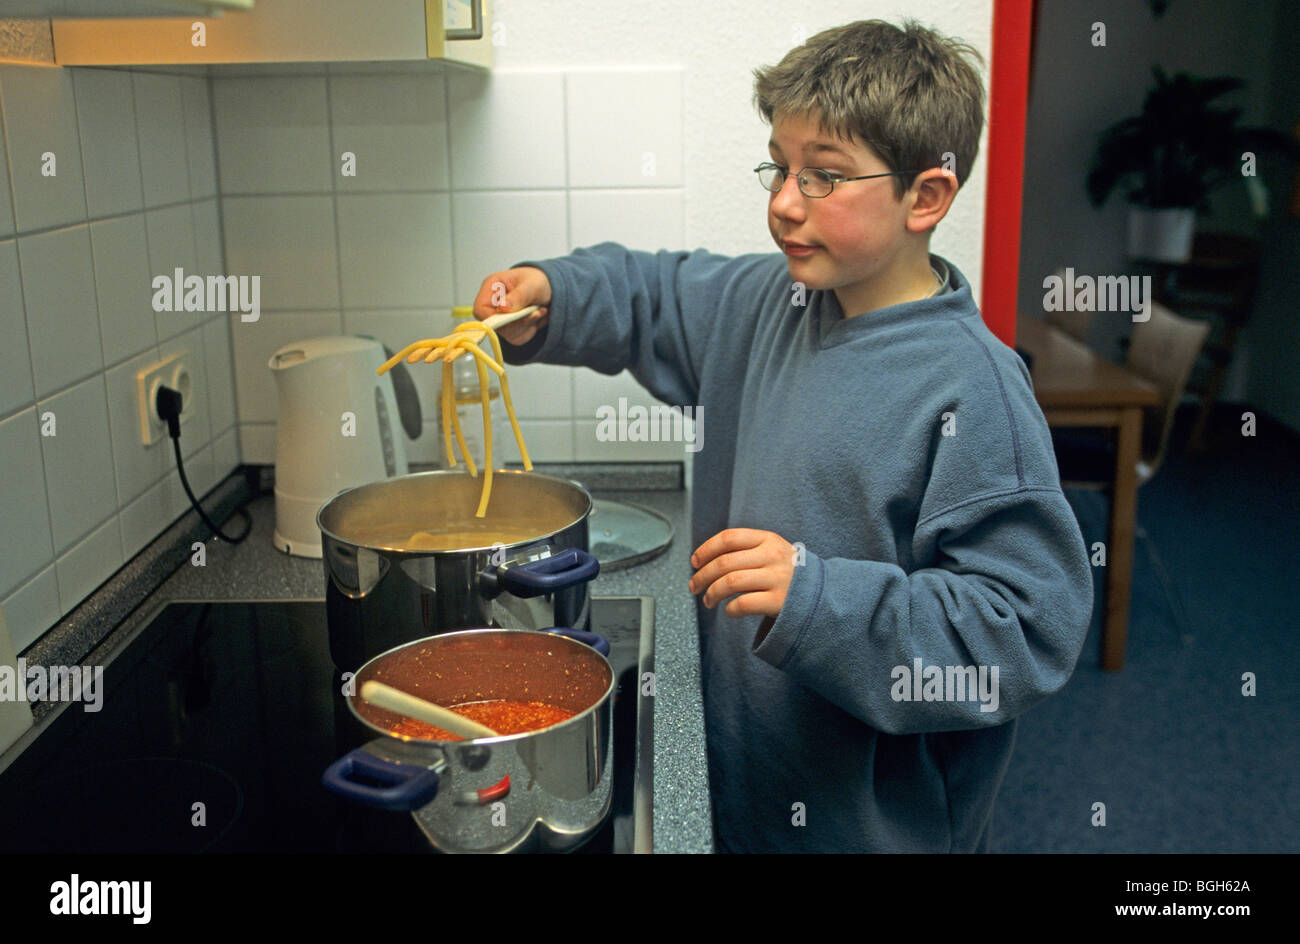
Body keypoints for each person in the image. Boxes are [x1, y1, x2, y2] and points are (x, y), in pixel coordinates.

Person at [472, 19, 1093, 853]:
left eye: (825, 178)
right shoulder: (767, 302)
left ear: (927, 197)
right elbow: (654, 292)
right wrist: (555, 292)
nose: (783, 203)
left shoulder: (974, 389)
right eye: (782, 165)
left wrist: (819, 599)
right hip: (747, 784)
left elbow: (1021, 631)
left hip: (870, 829)